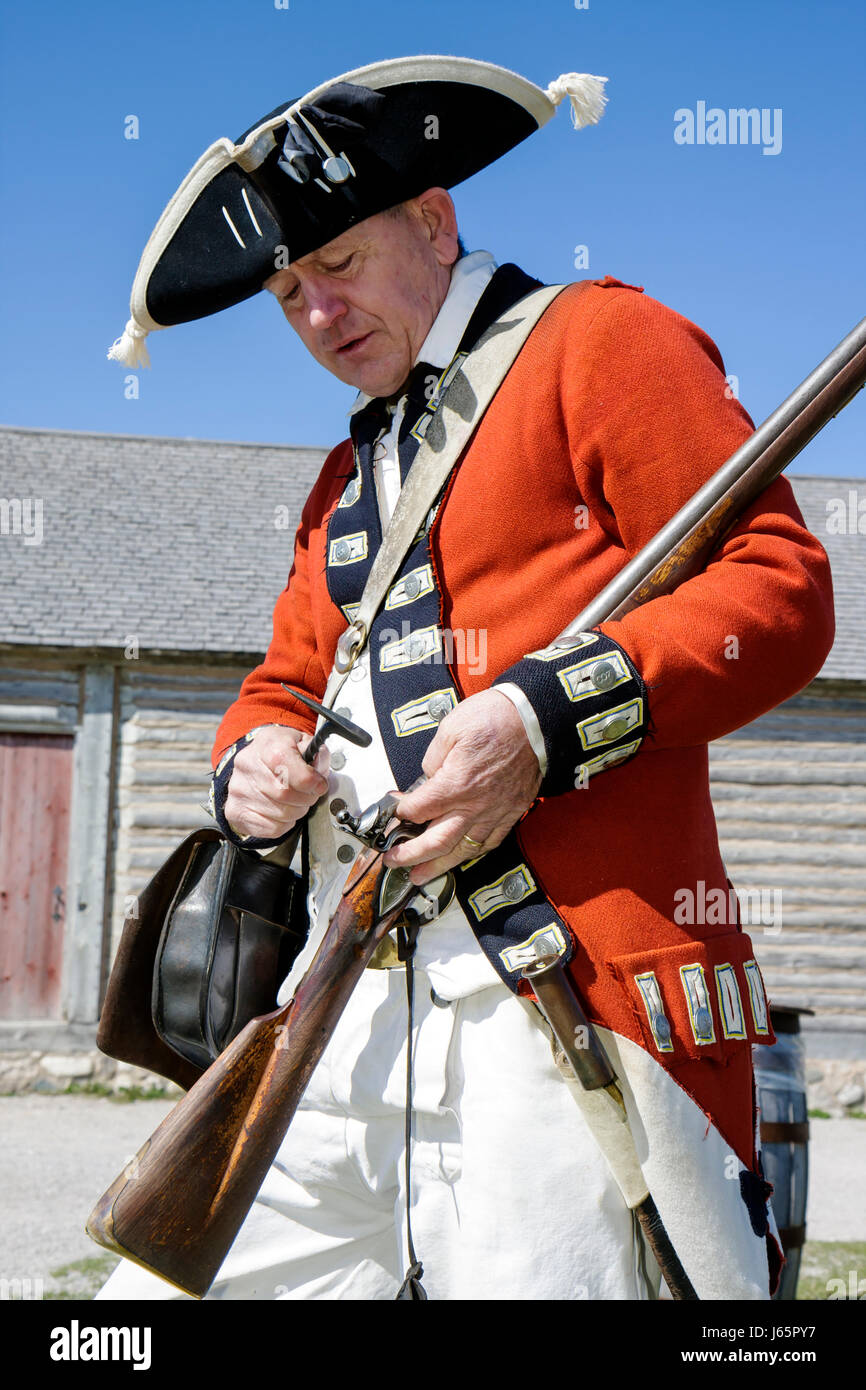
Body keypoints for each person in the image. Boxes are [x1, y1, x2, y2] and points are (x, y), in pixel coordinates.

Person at [98, 55, 834, 1301]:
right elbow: (279, 684)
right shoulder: (346, 481)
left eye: (334, 266)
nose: (317, 316)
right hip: (342, 1021)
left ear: (433, 221)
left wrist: (538, 720)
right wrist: (251, 768)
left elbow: (779, 590)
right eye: (286, 294)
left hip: (558, 1008)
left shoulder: (597, 341)